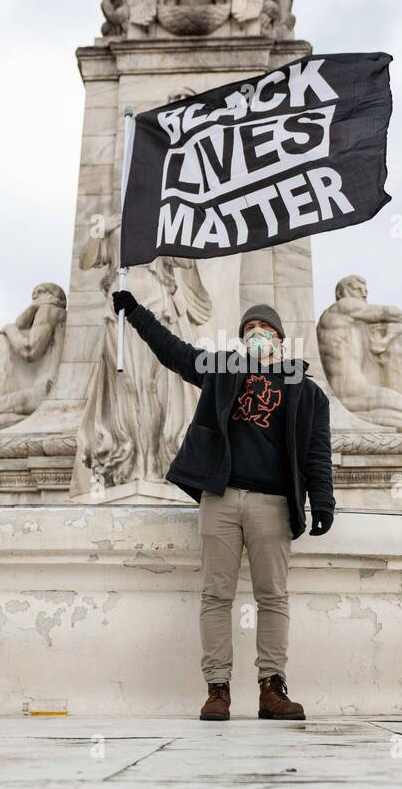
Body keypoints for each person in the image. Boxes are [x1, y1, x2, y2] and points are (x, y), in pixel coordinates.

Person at [112, 289, 336, 722]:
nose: (256, 334)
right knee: (216, 595)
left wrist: (322, 500)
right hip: (221, 498)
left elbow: (317, 453)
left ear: (280, 339)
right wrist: (136, 313)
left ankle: (273, 689)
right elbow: (174, 352)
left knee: (273, 596)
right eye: (249, 329)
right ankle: (218, 690)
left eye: (264, 329)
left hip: (274, 503)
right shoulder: (223, 371)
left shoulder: (308, 394)